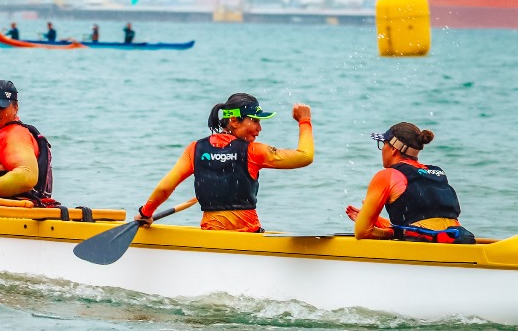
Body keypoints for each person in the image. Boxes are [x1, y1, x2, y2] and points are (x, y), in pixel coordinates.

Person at [136, 92, 313, 232]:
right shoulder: (253, 151)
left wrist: (145, 213)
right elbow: (305, 156)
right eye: (255, 121)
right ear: (234, 121)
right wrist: (304, 121)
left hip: (212, 235)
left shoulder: (195, 149)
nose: (260, 128)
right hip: (247, 235)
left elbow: (165, 187)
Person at [345, 123, 474, 242]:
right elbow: (424, 225)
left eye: (382, 143)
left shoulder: (387, 176)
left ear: (393, 149)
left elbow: (362, 232)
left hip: (423, 246)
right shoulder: (438, 173)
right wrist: (377, 221)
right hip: (459, 239)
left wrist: (387, 232)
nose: (382, 149)